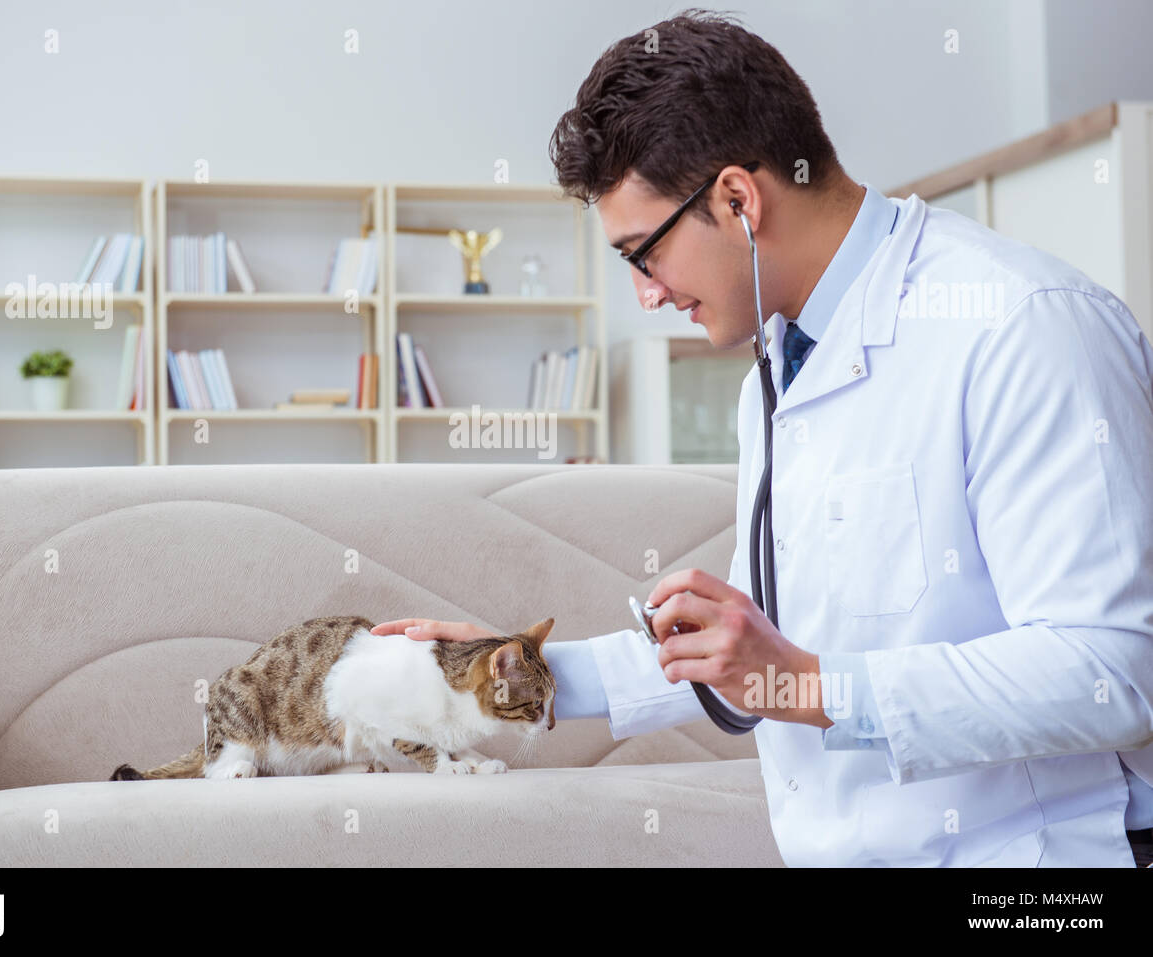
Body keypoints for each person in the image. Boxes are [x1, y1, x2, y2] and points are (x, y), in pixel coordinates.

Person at [374, 8, 1153, 867]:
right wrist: (506, 667)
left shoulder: (1023, 325)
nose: (647, 294)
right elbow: (747, 652)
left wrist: (810, 684)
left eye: (643, 254)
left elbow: (1113, 671)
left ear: (739, 201)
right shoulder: (780, 370)